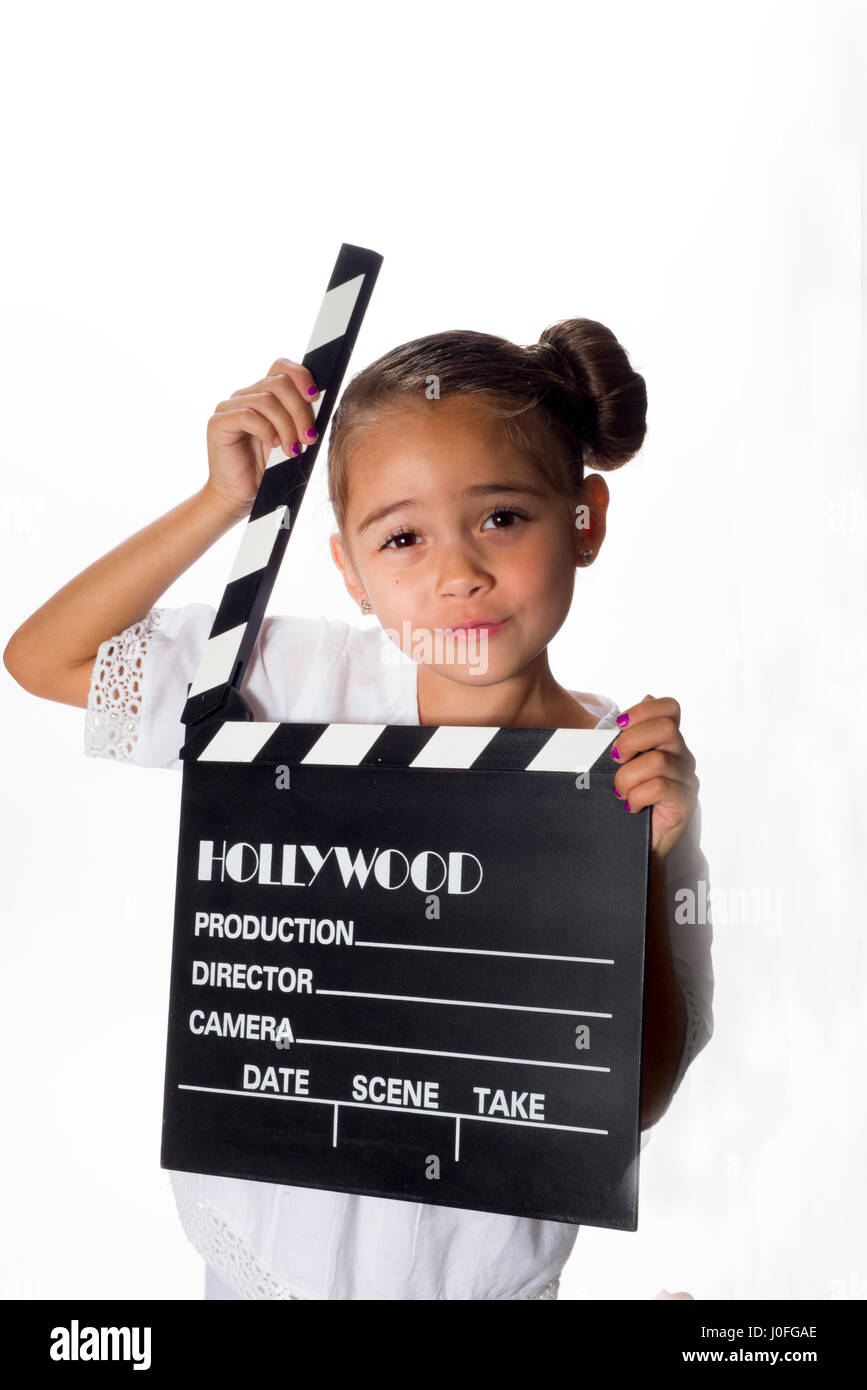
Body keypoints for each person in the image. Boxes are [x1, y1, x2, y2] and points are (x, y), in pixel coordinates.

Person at [3, 319, 714, 1300]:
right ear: (352, 571)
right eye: (404, 537)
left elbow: (632, 1097)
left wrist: (652, 853)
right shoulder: (297, 685)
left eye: (501, 517)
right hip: (263, 1272)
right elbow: (45, 660)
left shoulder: (631, 768)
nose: (457, 571)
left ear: (585, 516)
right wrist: (222, 502)